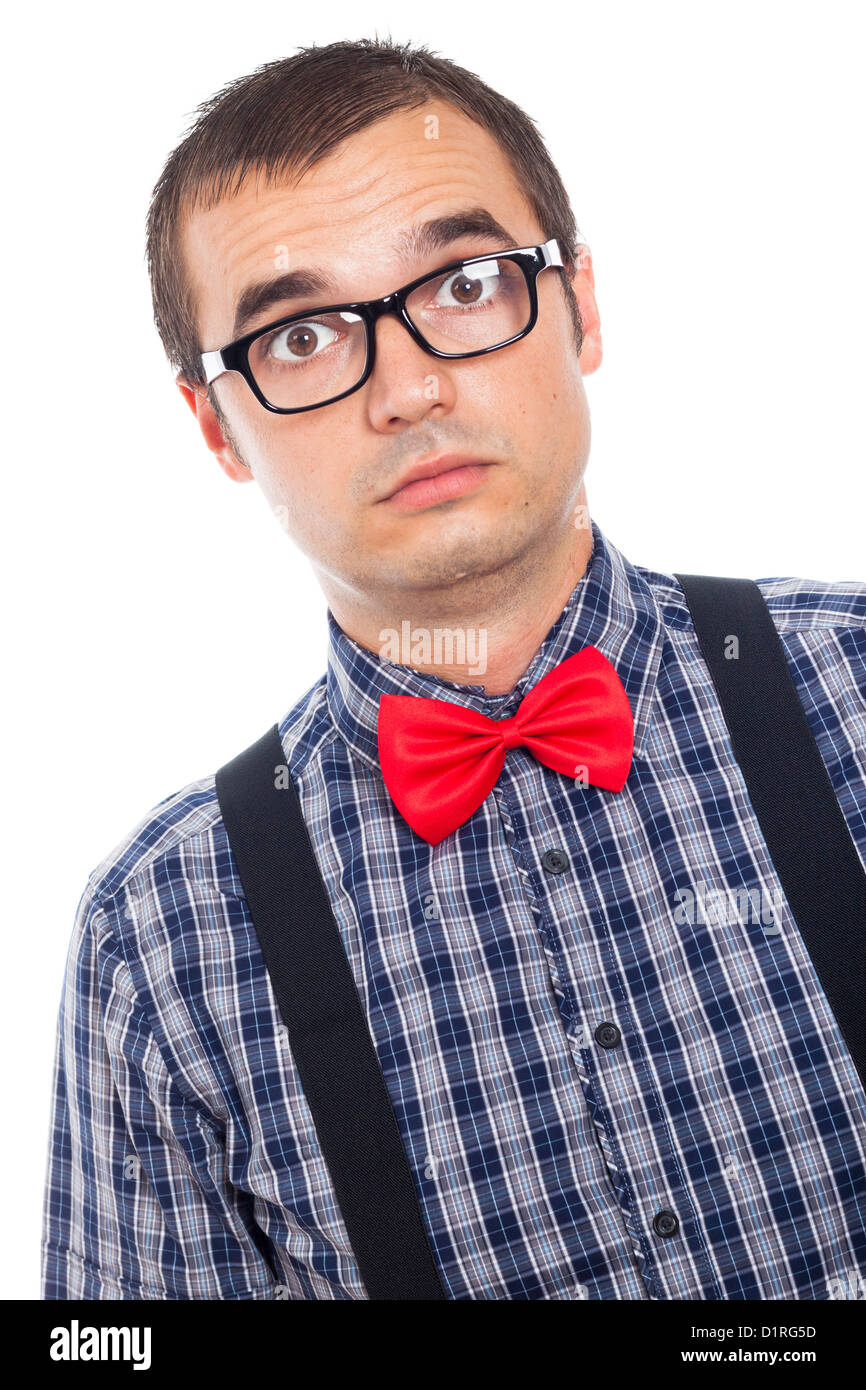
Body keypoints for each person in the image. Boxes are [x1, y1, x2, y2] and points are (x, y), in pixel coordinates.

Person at [41, 38, 866, 1301]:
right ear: (217, 427)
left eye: (465, 283)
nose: (410, 388)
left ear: (579, 306)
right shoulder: (155, 945)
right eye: (304, 336)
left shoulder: (854, 689)